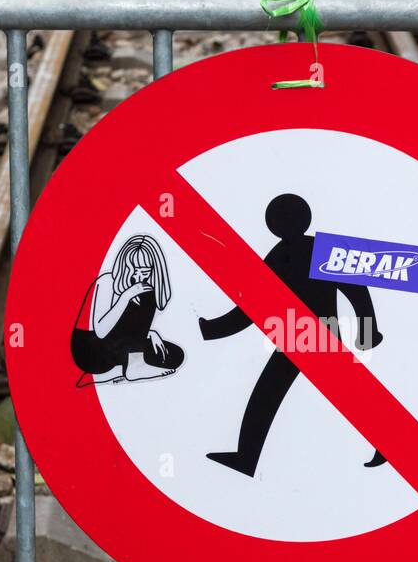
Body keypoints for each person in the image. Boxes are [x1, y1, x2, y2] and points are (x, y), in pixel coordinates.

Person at [199, 193, 383, 477]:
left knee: (269, 394)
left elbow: (250, 304)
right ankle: (245, 457)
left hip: (306, 337)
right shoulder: (320, 249)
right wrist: (369, 331)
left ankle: (246, 458)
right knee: (274, 393)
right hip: (308, 335)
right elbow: (358, 290)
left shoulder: (281, 255)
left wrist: (212, 330)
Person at [71, 234, 184, 384]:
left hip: (118, 345)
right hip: (91, 348)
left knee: (175, 355)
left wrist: (150, 333)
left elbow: (128, 327)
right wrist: (126, 296)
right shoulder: (107, 281)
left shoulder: (147, 290)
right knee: (146, 295)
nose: (138, 278)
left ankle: (117, 371)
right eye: (134, 270)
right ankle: (131, 368)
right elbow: (101, 331)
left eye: (144, 272)